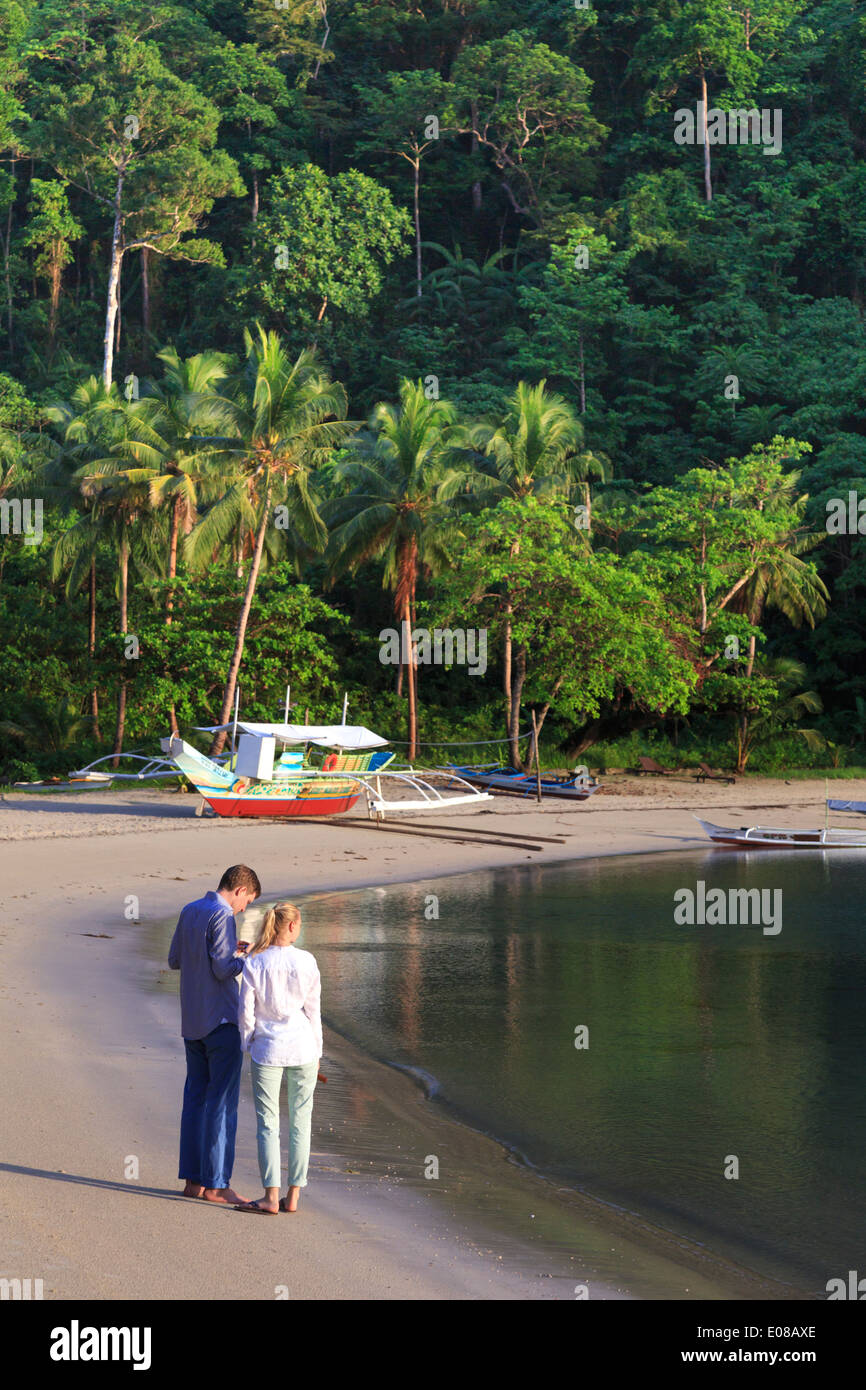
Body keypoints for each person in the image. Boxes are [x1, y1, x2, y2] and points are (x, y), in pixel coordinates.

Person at [168, 864, 261, 1205]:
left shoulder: (190, 909)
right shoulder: (222, 915)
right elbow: (223, 968)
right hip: (220, 1020)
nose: (244, 908)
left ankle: (193, 1181)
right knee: (221, 1102)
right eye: (247, 901)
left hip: (191, 1019)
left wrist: (224, 952)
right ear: (239, 890)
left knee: (195, 1098)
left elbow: (175, 959)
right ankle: (217, 1184)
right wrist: (246, 957)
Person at [234, 903, 322, 1215]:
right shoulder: (307, 961)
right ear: (293, 926)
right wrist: (318, 1051)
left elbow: (245, 1012)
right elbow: (313, 1012)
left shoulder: (255, 961)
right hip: (303, 1047)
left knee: (268, 1124)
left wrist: (248, 1043)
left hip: (267, 1048)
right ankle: (294, 1195)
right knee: (302, 1122)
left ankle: (271, 1196)